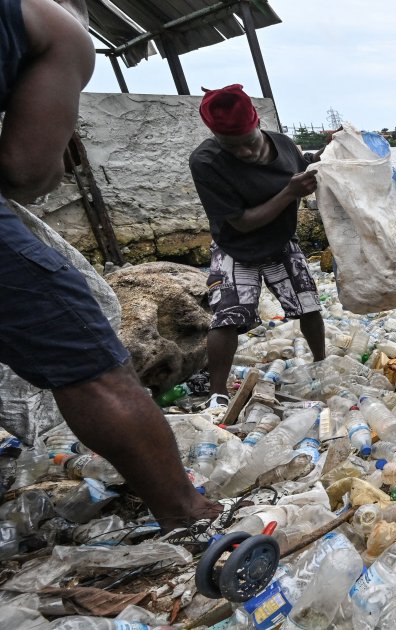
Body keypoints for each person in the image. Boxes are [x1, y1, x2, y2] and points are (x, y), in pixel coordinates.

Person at [0, 0, 221, 534]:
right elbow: (24, 171)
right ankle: (186, 512)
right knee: (92, 363)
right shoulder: (57, 26)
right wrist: (51, 157)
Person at [189, 85, 326, 409]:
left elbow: (302, 164)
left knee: (309, 305)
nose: (245, 154)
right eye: (233, 148)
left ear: (258, 122)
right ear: (215, 137)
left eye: (249, 143)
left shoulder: (282, 144)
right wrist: (289, 193)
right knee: (227, 317)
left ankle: (322, 364)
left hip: (280, 242)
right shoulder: (206, 161)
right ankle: (217, 394)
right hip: (237, 247)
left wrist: (327, 154)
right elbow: (242, 222)